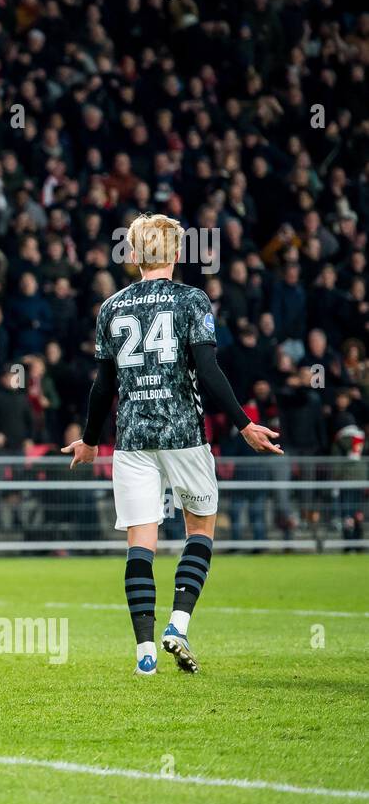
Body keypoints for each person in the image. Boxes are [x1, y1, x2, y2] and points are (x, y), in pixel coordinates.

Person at [63, 214, 282, 676]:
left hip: (133, 438)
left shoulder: (111, 307)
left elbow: (103, 386)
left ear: (135, 256)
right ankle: (177, 627)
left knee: (140, 542)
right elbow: (208, 370)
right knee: (200, 529)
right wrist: (244, 424)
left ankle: (144, 653)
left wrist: (88, 440)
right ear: (176, 254)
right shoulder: (191, 300)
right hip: (183, 434)